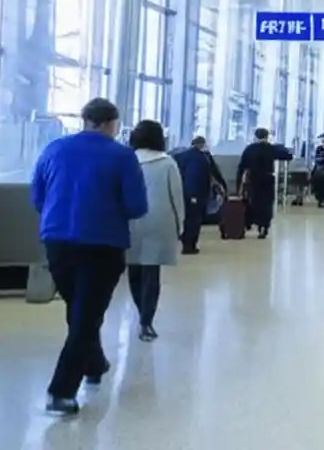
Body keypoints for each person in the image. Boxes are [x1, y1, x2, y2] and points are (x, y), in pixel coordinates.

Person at [31, 98, 148, 417]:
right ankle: (61, 392)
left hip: (57, 240)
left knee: (80, 309)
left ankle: (94, 363)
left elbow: (37, 197)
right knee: (85, 316)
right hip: (102, 244)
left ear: (85, 120)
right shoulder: (122, 156)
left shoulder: (53, 149)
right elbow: (137, 206)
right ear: (112, 123)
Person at [126, 120, 183, 343]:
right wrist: (180, 224)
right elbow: (176, 197)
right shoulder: (168, 163)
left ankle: (141, 312)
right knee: (152, 272)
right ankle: (146, 320)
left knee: (134, 269)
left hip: (130, 221)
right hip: (160, 221)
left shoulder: (127, 161)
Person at [172, 136, 226, 255]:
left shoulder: (180, 156)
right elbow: (194, 177)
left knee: (185, 218)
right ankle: (189, 245)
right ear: (202, 144)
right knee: (194, 219)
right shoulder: (201, 158)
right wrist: (194, 195)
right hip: (195, 193)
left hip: (181, 192)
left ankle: (184, 240)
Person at [237, 128, 293, 239]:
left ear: (255, 136)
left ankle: (249, 223)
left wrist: (239, 183)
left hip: (253, 179)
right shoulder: (271, 148)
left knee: (252, 201)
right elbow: (288, 155)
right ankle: (264, 227)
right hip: (267, 179)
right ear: (267, 136)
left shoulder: (250, 149)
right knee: (266, 203)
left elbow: (241, 166)